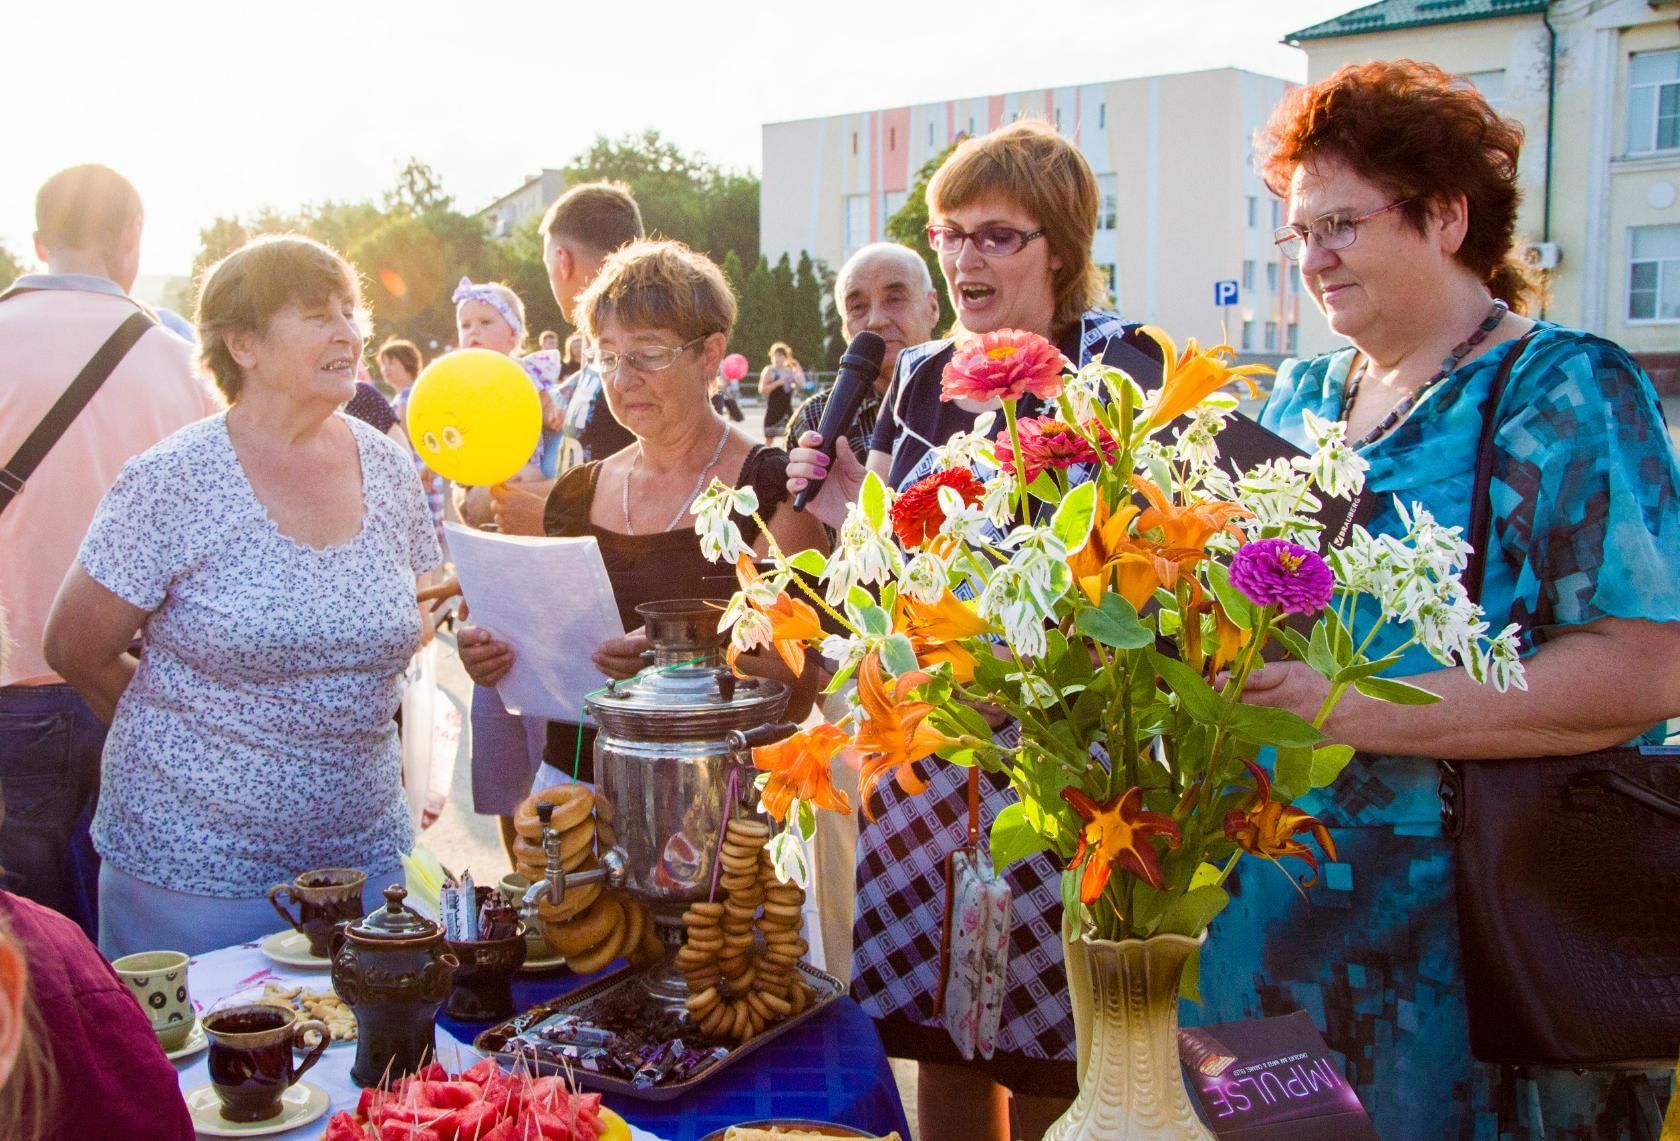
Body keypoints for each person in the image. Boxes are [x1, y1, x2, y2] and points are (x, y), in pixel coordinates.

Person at [1198, 60, 1680, 1137]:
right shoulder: (1300, 392)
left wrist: (1351, 706)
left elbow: (1644, 668)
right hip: (1262, 935)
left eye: (1340, 225)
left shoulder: (1562, 387)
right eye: (1298, 231)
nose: (1310, 259)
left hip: (1462, 962)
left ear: (1448, 216)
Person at [785, 119, 1159, 1141]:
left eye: (995, 235)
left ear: (1063, 247)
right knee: (938, 1046)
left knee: (1050, 1056)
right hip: (932, 753)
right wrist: (846, 507)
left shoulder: (1120, 365)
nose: (962, 258)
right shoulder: (919, 374)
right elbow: (901, 556)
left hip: (1059, 756)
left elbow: (1121, 572)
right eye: (949, 234)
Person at [42, 234, 441, 958]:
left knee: (376, 1059)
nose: (348, 332)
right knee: (201, 1069)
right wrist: (205, 745)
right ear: (243, 344)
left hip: (366, 862)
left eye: (351, 312)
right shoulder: (171, 480)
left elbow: (401, 621)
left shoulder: (384, 462)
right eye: (318, 315)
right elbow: (74, 646)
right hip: (195, 878)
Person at [457, 239, 829, 789]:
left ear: (710, 353)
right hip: (575, 785)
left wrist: (677, 662)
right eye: (606, 355)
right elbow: (551, 657)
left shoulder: (773, 490)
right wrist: (495, 652)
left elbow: (804, 686)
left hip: (717, 803)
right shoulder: (577, 495)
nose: (623, 377)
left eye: (649, 353)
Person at [0, 164, 221, 938]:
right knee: (128, 924)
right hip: (138, 680)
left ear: (37, 241)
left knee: (22, 937)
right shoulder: (178, 363)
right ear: (132, 239)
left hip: (11, 680)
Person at [788, 243, 941, 468]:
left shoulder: (975, 400)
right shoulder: (816, 420)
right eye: (858, 306)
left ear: (933, 308)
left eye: (895, 299)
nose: (876, 320)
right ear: (844, 328)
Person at [548, 182, 646, 473]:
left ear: (562, 261)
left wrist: (541, 508)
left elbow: (659, 476)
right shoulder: (596, 343)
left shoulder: (634, 343)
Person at [757, 342, 801, 447]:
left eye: (780, 355)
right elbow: (762, 390)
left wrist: (796, 378)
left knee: (791, 439)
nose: (777, 358)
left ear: (785, 357)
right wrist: (778, 383)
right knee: (769, 439)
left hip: (786, 410)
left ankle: (787, 460)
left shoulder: (789, 371)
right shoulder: (769, 371)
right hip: (773, 410)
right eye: (775, 355)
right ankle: (765, 460)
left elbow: (801, 386)